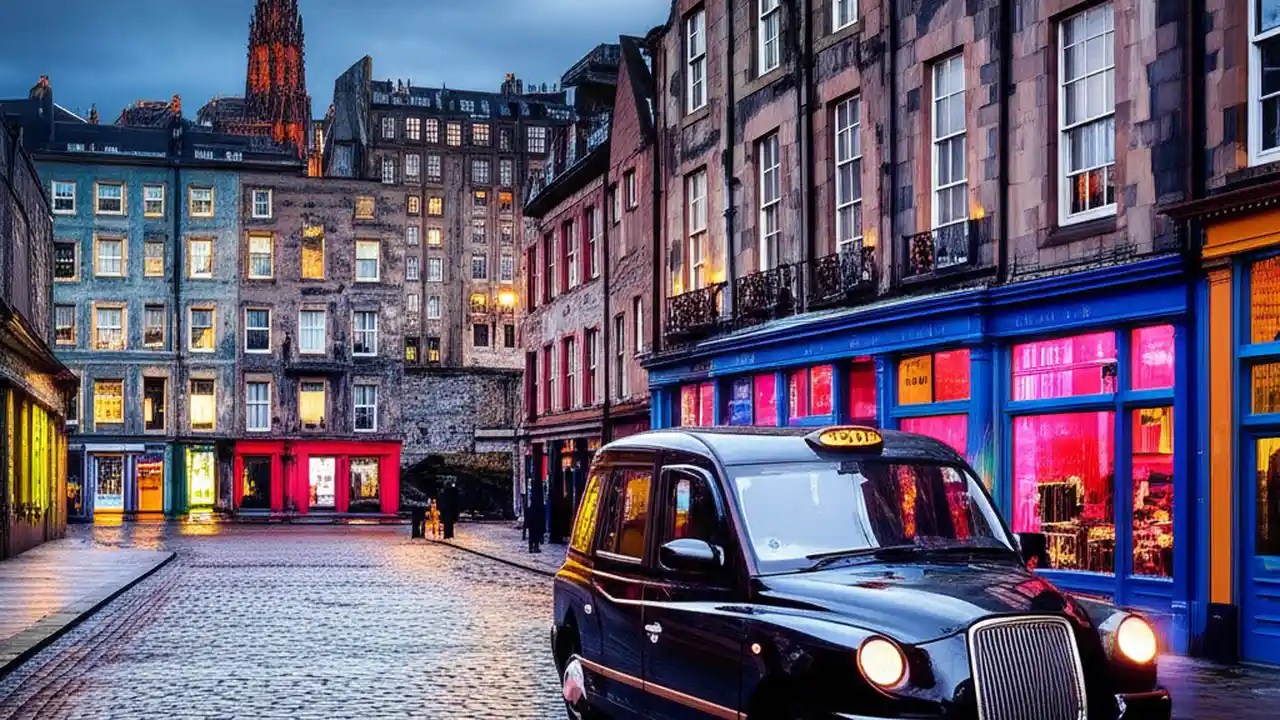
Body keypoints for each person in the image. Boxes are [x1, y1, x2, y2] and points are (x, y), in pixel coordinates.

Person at [527, 478, 546, 554]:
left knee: (532, 530)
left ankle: (531, 546)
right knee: (536, 529)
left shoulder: (532, 491)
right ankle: (535, 546)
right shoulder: (538, 491)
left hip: (532, 511)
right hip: (537, 511)